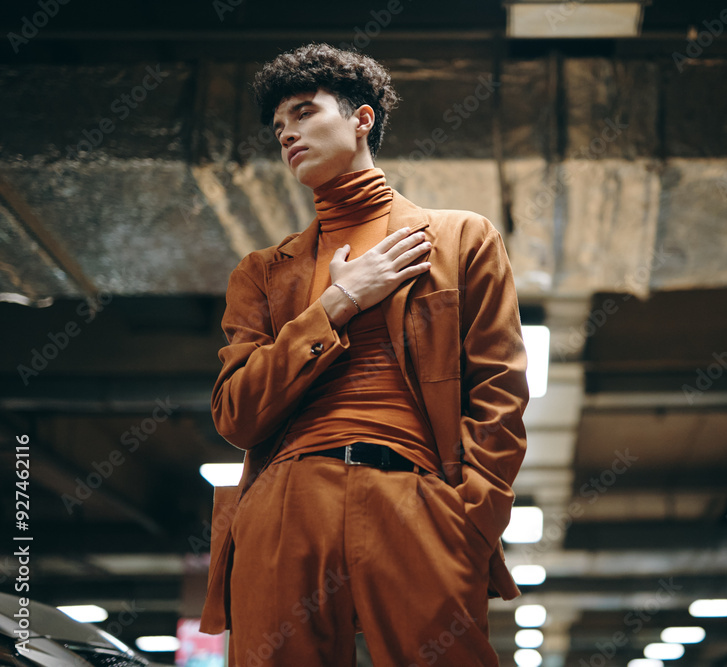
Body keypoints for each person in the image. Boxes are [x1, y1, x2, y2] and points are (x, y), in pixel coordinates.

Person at [198, 43, 530, 667]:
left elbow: (500, 394)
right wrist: (337, 303)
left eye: (304, 112)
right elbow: (235, 416)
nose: (287, 133)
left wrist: (471, 520)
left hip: (420, 501)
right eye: (278, 126)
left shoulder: (461, 237)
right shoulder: (263, 273)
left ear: (362, 119)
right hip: (284, 506)